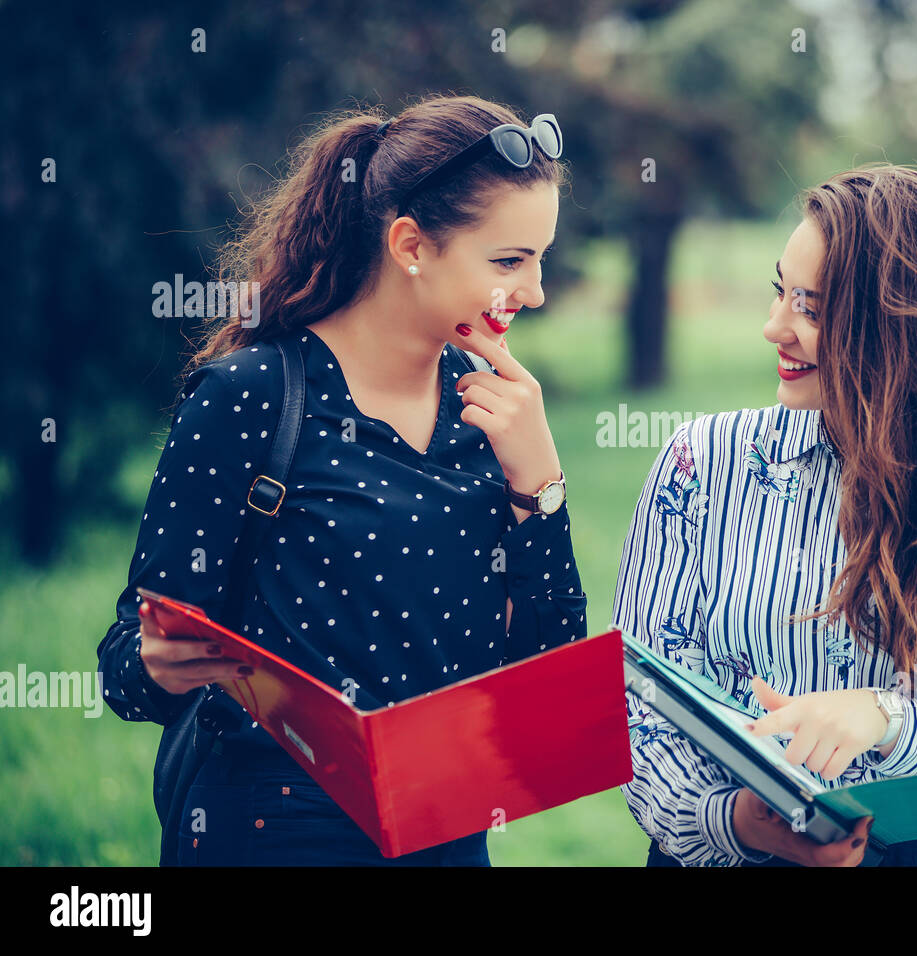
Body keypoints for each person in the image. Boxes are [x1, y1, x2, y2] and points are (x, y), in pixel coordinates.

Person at [97, 94, 584, 865]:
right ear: (411, 245)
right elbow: (126, 664)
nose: (533, 291)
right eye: (509, 261)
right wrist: (159, 664)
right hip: (269, 833)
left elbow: (548, 676)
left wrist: (540, 482)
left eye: (539, 258)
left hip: (445, 833)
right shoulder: (252, 397)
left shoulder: (494, 418)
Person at [613, 163, 917, 867]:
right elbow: (640, 705)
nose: (774, 327)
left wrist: (891, 720)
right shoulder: (699, 465)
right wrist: (737, 822)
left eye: (811, 308)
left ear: (904, 331)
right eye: (781, 293)